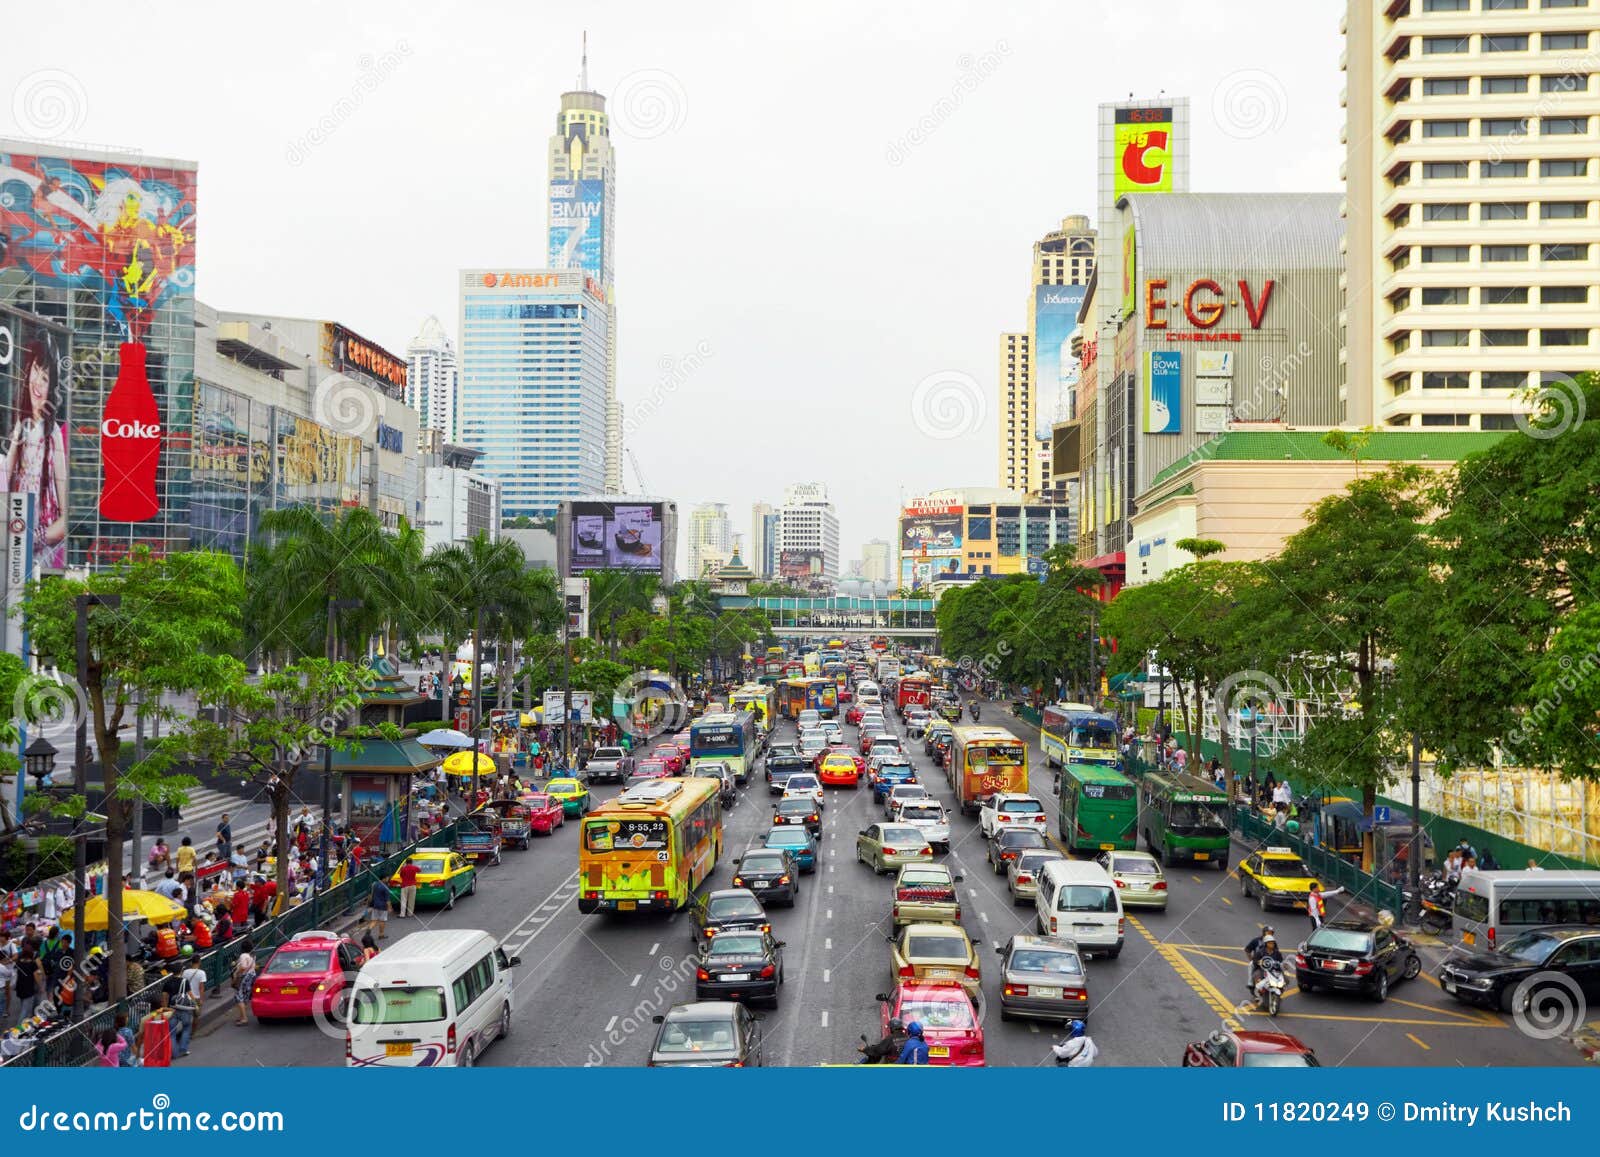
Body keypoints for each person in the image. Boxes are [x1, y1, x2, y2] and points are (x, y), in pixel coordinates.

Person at [3, 335, 69, 569]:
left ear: (51, 386)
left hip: (39, 556)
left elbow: (66, 519)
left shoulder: (53, 437)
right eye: (35, 372)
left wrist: (34, 538)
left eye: (45, 378)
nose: (38, 385)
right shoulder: (15, 427)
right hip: (9, 543)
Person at [230, 940, 256, 1027]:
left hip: (243, 978)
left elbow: (243, 967)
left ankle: (244, 1018)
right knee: (244, 996)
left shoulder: (243, 955)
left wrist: (237, 973)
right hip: (250, 977)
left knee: (239, 997)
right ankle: (242, 1016)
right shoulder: (252, 956)